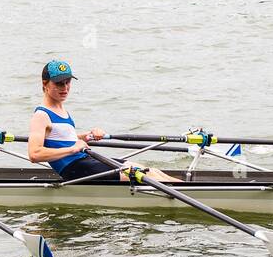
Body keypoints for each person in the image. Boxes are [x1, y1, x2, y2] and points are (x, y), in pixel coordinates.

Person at [27, 60, 179, 182]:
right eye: (59, 83)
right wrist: (73, 149)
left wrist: (85, 136)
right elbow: (34, 154)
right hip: (75, 169)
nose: (65, 88)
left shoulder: (60, 109)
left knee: (152, 171)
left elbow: (60, 138)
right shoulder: (41, 115)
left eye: (68, 82)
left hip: (84, 160)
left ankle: (189, 189)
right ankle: (189, 195)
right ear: (45, 83)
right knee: (145, 175)